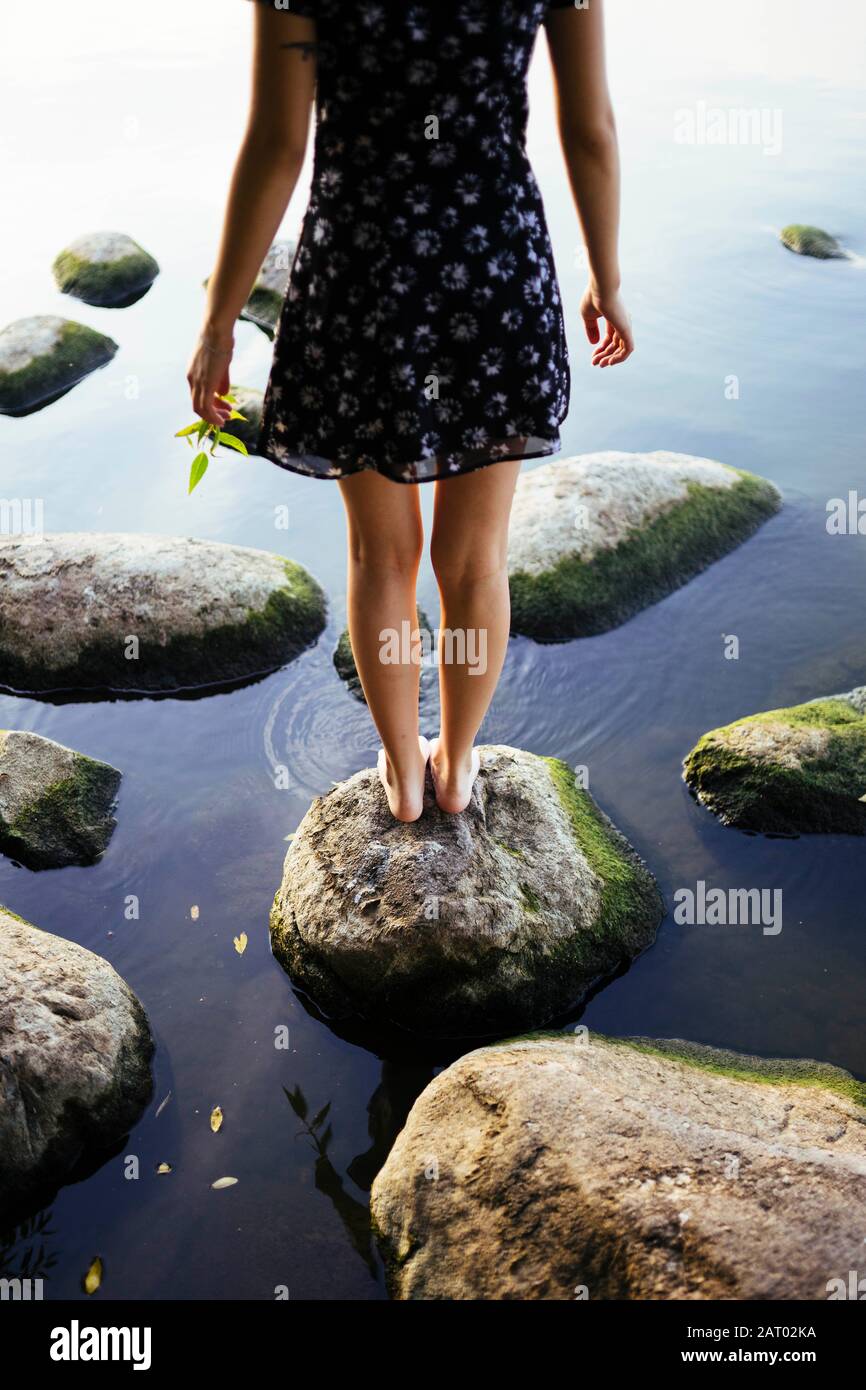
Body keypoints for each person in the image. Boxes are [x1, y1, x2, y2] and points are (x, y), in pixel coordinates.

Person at [187, 0, 632, 823]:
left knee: (380, 555)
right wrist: (606, 275)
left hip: (362, 273)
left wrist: (220, 320)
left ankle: (400, 768)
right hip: (492, 264)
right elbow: (591, 129)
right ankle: (457, 766)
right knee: (474, 559)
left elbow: (277, 145)